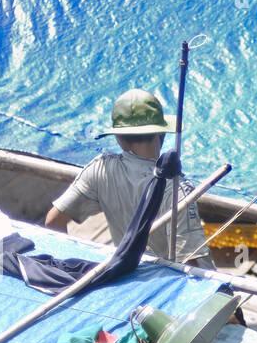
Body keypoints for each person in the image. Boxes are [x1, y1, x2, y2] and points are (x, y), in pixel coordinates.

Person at [44, 89, 212, 267]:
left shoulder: (100, 168)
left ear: (119, 138)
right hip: (176, 287)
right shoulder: (177, 189)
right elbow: (191, 264)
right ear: (161, 133)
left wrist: (70, 264)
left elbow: (52, 221)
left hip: (127, 274)